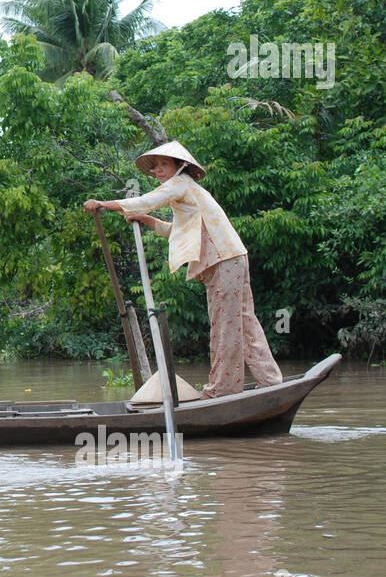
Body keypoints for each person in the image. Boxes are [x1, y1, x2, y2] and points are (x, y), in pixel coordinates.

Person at [82, 141, 282, 400]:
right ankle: (270, 381)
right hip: (231, 257)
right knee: (243, 322)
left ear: (180, 166)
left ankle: (222, 389)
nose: (158, 171)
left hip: (223, 260)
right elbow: (175, 230)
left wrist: (103, 203)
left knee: (226, 325)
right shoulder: (189, 193)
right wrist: (146, 220)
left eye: (164, 164)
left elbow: (145, 201)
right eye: (156, 167)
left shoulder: (180, 184)